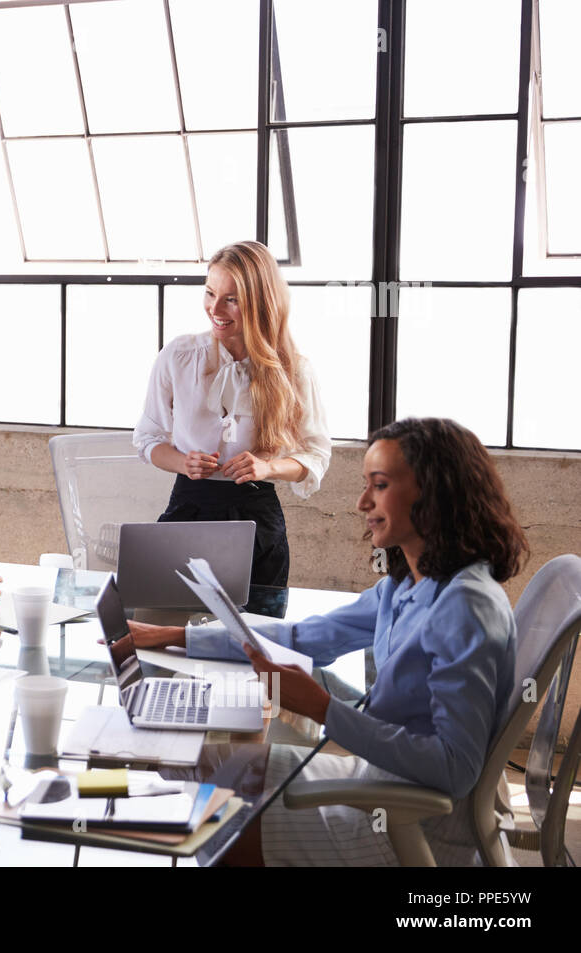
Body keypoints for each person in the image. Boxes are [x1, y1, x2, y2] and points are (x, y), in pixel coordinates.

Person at [130, 418, 529, 865]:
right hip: (380, 781)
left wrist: (321, 708)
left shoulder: (466, 607)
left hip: (409, 826)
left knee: (210, 823)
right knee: (192, 766)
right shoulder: (408, 583)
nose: (362, 503)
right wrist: (177, 635)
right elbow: (302, 638)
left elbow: (455, 768)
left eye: (378, 486)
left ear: (433, 494)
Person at [133, 240, 331, 588]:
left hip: (257, 517)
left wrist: (268, 467)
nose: (215, 309)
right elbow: (147, 438)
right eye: (210, 293)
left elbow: (315, 455)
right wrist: (184, 463)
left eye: (232, 299)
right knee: (165, 625)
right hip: (188, 509)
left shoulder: (293, 370)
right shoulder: (178, 356)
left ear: (260, 301)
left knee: (256, 632)